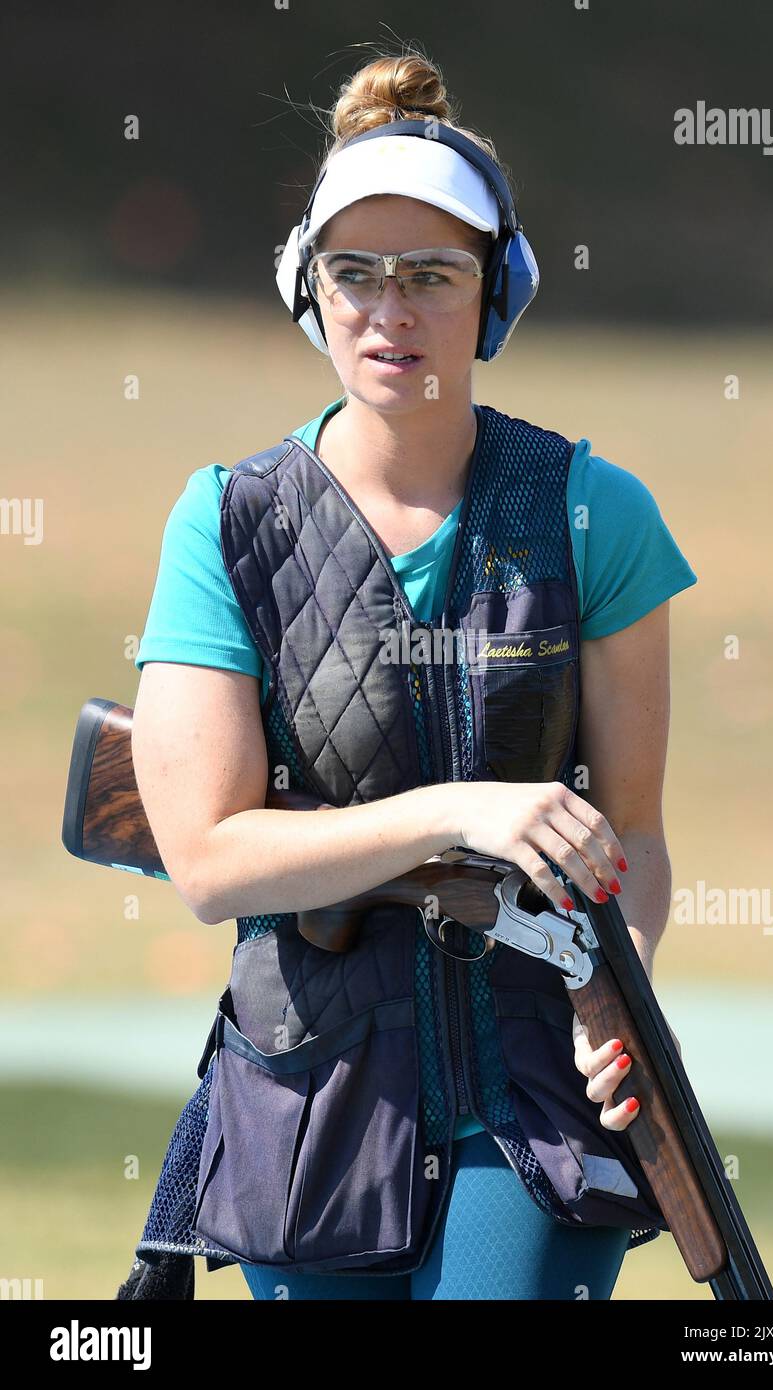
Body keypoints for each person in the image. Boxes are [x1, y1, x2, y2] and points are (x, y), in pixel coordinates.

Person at [131, 50, 697, 1301]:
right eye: (355, 274)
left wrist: (620, 987)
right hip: (308, 1092)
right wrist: (457, 811)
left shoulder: (598, 513)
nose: (391, 312)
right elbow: (209, 860)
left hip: (537, 1088)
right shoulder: (223, 520)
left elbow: (635, 835)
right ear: (307, 290)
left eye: (432, 276)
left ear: (495, 293)